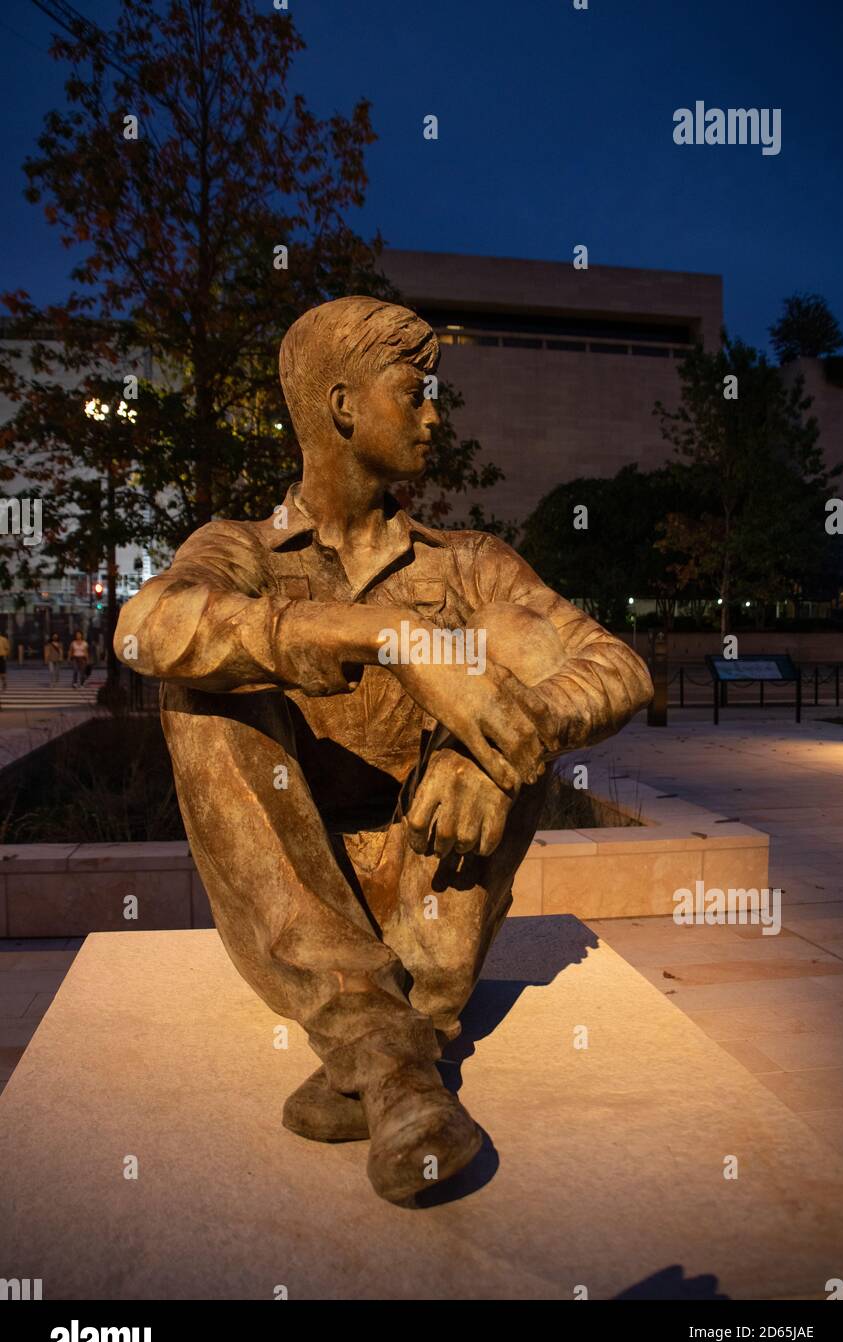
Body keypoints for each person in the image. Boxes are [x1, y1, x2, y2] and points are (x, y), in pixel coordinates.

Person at [114, 296, 652, 1204]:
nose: (436, 416)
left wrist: (488, 748)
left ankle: (373, 1055)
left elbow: (618, 666)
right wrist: (388, 636)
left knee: (519, 644)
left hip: (433, 890)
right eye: (416, 394)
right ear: (341, 408)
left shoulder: (470, 560)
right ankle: (400, 1065)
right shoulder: (242, 548)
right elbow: (143, 628)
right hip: (299, 894)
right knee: (196, 690)